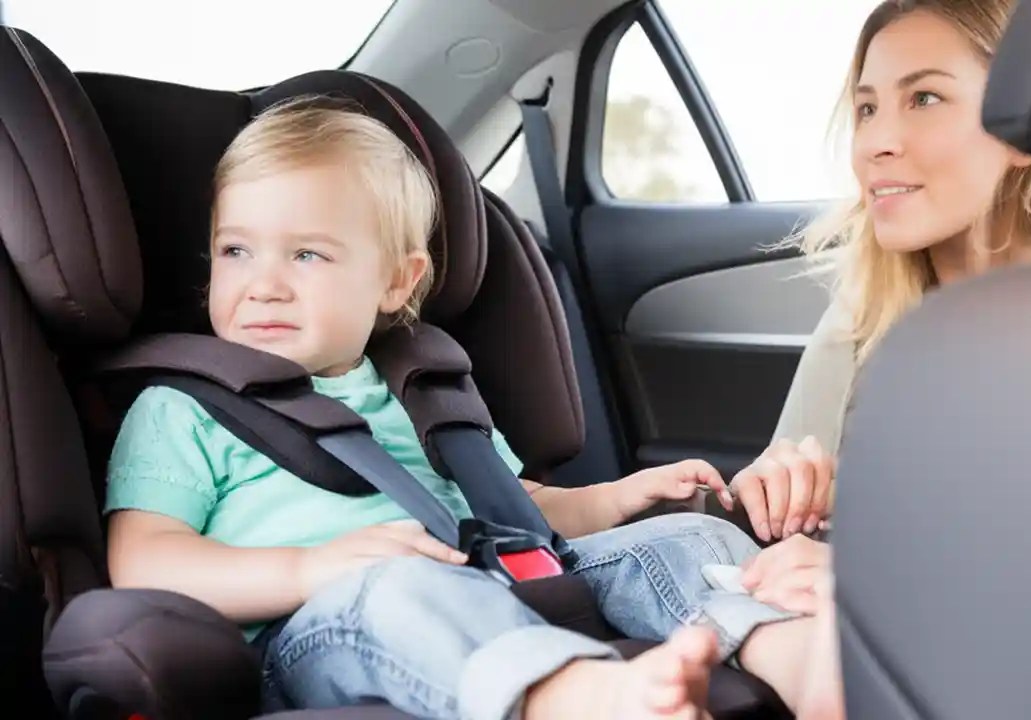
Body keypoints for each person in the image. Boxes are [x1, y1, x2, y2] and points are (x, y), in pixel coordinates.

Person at [101, 96, 842, 720]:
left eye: (306, 255)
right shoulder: (185, 409)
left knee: (681, 538)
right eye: (235, 251)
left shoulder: (428, 392)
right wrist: (308, 569)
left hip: (490, 583)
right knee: (399, 589)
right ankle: (579, 696)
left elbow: (520, 510)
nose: (262, 283)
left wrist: (618, 498)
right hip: (322, 630)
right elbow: (142, 561)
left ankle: (800, 656)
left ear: (397, 281)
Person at [733, 0, 1031, 610]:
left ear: (1025, 125)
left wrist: (883, 576)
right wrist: (780, 487)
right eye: (867, 109)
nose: (875, 144)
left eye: (924, 99)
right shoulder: (867, 314)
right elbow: (793, 501)